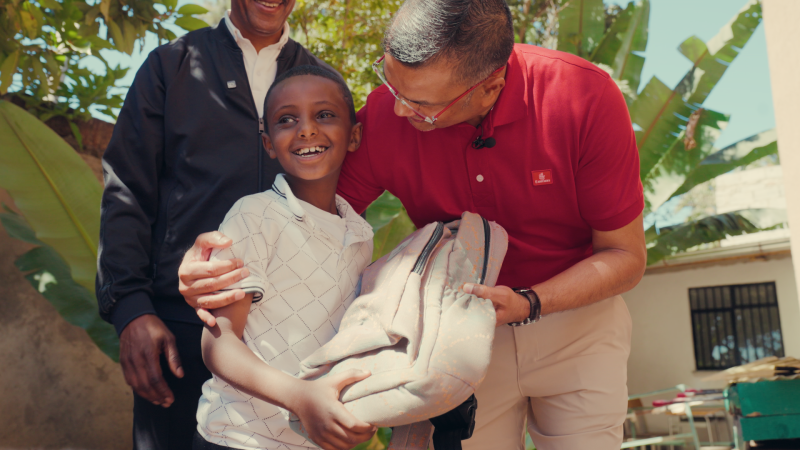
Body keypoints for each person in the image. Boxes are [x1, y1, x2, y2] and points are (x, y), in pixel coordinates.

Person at [179, 0, 648, 449]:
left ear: (490, 85)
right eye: (392, 85)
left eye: (422, 105)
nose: (399, 111)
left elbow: (625, 257)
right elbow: (307, 217)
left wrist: (530, 303)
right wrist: (216, 261)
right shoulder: (388, 114)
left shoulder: (583, 97)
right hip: (457, 333)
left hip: (575, 322)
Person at [96, 0, 340, 447]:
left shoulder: (320, 82)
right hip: (181, 330)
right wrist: (131, 308)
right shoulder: (172, 66)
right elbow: (126, 189)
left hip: (289, 340)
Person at [193, 66, 376, 450]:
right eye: (287, 120)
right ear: (268, 144)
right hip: (237, 437)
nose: (306, 129)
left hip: (311, 440)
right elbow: (218, 340)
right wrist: (299, 397)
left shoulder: (361, 235)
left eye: (324, 115)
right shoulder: (255, 215)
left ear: (354, 135)